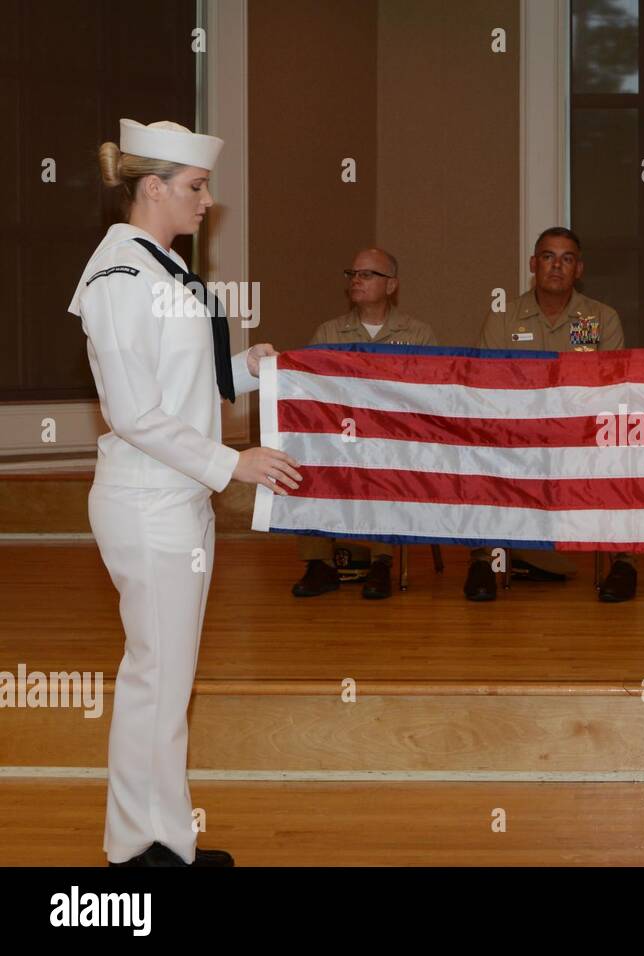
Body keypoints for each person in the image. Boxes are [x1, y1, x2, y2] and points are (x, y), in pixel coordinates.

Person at [69, 119, 301, 866]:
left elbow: (183, 382)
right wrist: (232, 463)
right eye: (196, 188)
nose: (206, 202)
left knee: (166, 682)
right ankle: (141, 852)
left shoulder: (160, 266)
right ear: (154, 187)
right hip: (148, 500)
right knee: (156, 681)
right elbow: (134, 412)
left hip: (175, 499)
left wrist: (249, 366)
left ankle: (163, 840)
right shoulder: (119, 277)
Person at [469, 227, 635, 602]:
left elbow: (612, 386)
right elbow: (489, 384)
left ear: (579, 269)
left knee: (622, 456)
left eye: (567, 258)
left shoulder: (599, 318)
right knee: (480, 454)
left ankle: (624, 564)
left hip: (583, 435)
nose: (556, 266)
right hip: (519, 434)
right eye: (548, 257)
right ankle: (481, 563)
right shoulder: (505, 316)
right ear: (533, 264)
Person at [290, 247, 438, 601]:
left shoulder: (417, 333)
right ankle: (319, 564)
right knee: (305, 459)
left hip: (395, 439)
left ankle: (381, 563)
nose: (357, 280)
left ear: (391, 286)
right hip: (341, 437)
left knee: (385, 461)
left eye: (368, 274)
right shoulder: (329, 332)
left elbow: (431, 395)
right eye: (353, 274)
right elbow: (311, 391)